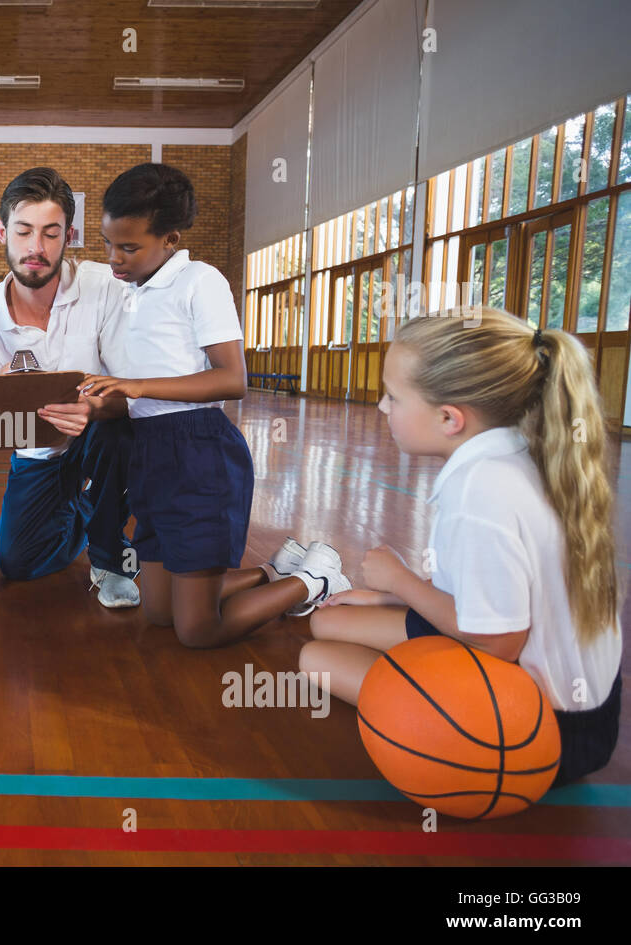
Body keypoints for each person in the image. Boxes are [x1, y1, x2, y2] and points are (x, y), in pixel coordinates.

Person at [301, 307, 622, 787]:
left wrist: (401, 580)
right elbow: (498, 591)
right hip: (584, 708)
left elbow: (497, 641)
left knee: (317, 660)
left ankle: (432, 700)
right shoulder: (517, 454)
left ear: (450, 418)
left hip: (543, 729)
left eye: (393, 397)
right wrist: (388, 596)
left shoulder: (480, 491)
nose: (383, 408)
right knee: (328, 620)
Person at [82, 162, 351, 646]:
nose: (114, 258)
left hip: (198, 454)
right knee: (160, 615)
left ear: (169, 240)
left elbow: (233, 379)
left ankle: (313, 579)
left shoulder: (199, 280)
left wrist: (138, 385)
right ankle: (275, 569)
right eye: (107, 243)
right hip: (149, 452)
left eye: (128, 246)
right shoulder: (129, 293)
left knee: (196, 631)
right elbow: (130, 391)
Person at [0, 167, 140, 608]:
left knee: (118, 433)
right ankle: (88, 506)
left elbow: (133, 387)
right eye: (24, 231)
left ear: (70, 234)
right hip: (39, 451)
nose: (36, 247)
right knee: (18, 563)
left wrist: (94, 410)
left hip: (99, 435)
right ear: (2, 231)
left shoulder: (105, 286)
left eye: (51, 233)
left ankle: (109, 556)